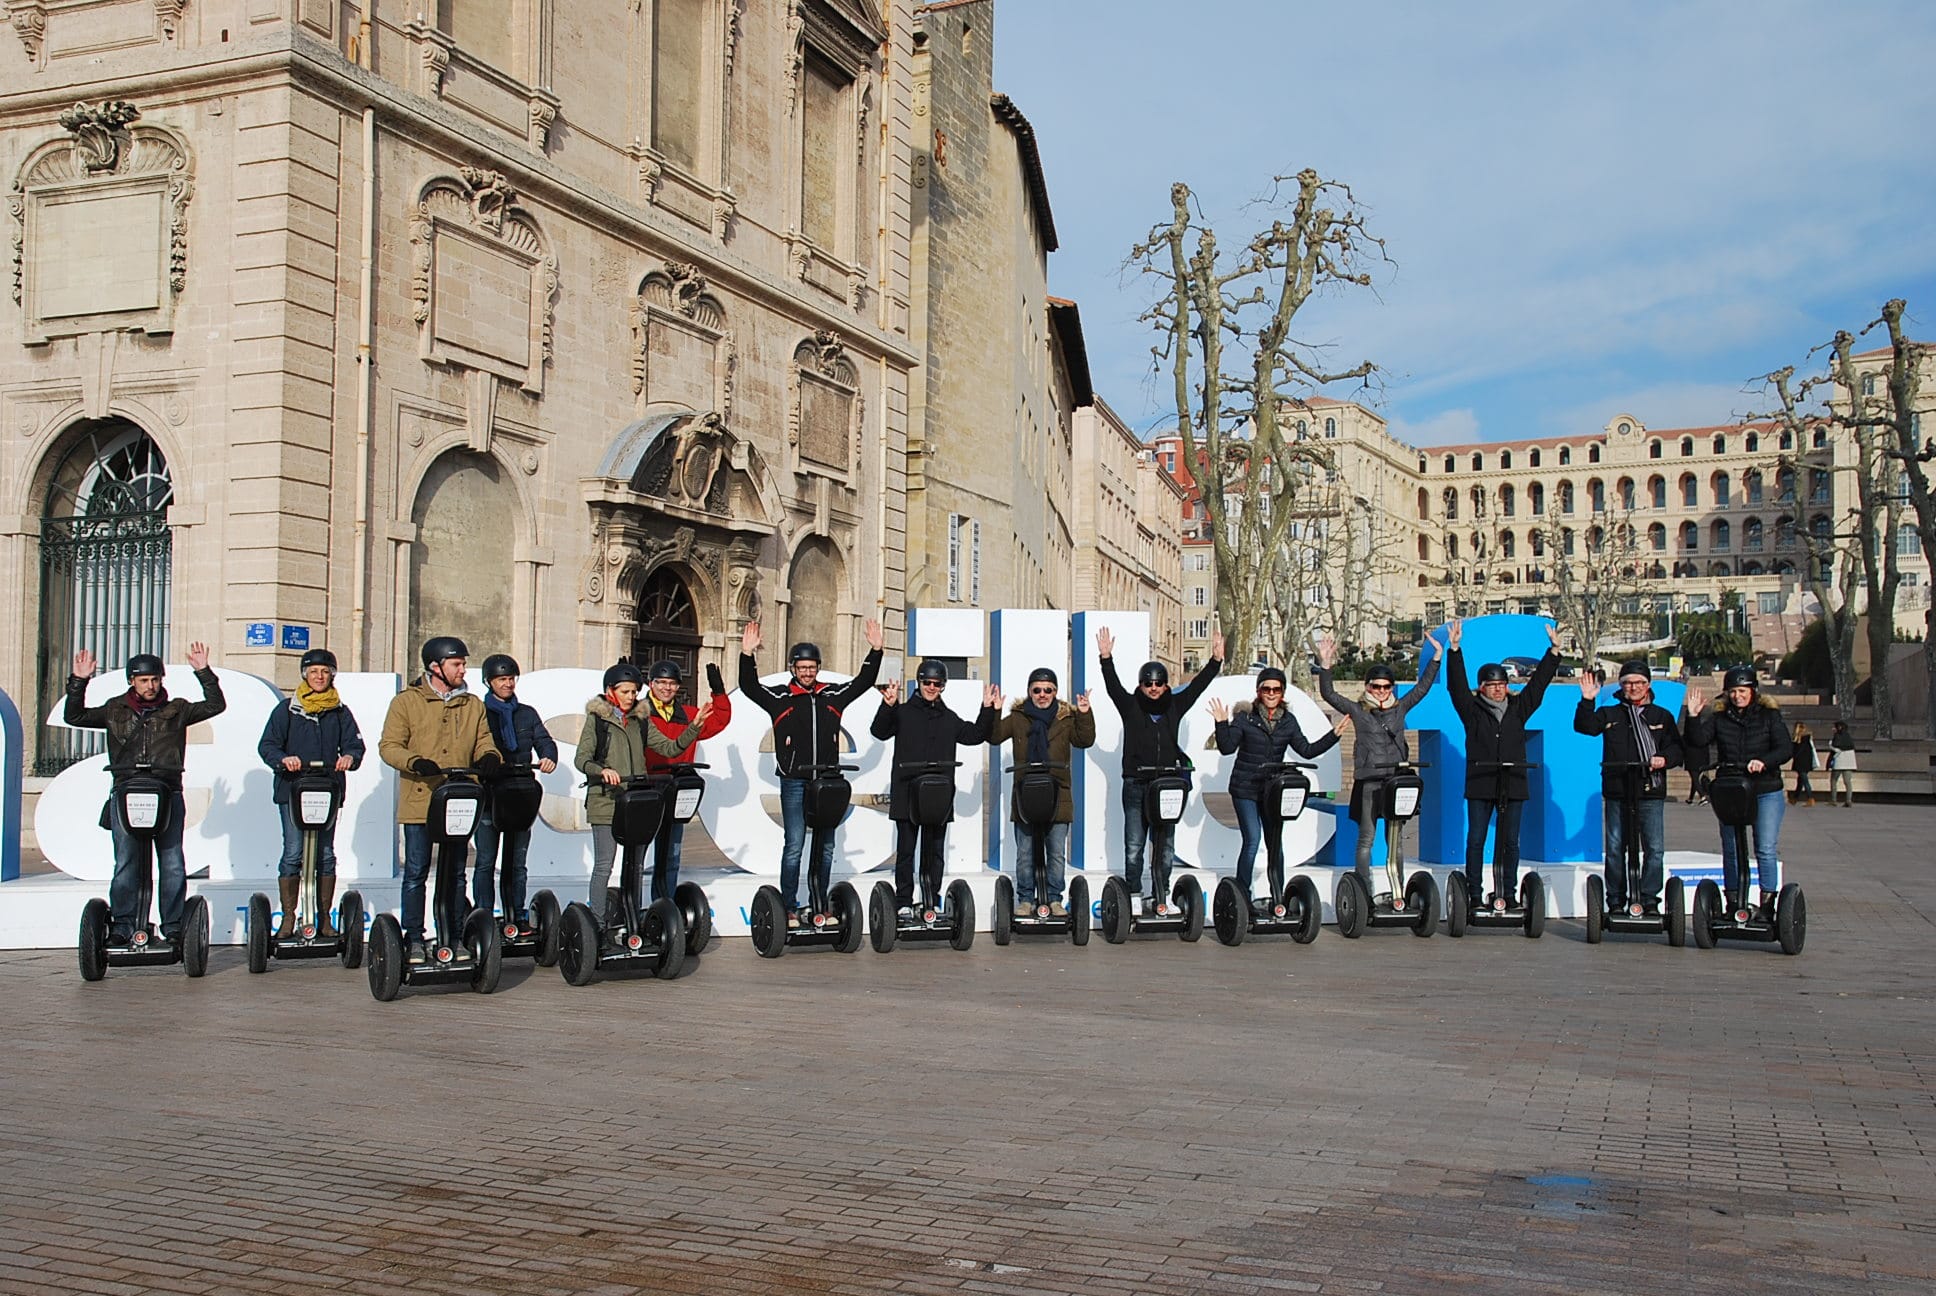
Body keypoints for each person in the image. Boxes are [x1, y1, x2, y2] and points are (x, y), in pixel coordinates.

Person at [66, 644, 225, 945]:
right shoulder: (115, 710)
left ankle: (174, 925)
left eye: (155, 679)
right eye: (143, 680)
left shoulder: (177, 710)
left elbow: (215, 705)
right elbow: (74, 716)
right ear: (131, 681)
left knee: (172, 861)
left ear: (161, 680)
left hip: (168, 790)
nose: (150, 685)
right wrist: (79, 681)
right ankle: (123, 925)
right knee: (126, 861)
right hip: (126, 790)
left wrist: (203, 672)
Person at [739, 619, 885, 926]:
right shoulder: (781, 699)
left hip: (827, 783)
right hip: (794, 781)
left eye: (812, 667)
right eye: (802, 667)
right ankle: (789, 906)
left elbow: (862, 682)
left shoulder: (832, 696)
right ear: (793, 669)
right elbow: (750, 687)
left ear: (818, 668)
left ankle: (820, 905)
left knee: (826, 846)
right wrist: (747, 655)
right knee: (794, 845)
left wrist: (876, 650)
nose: (807, 672)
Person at [378, 637, 503, 961]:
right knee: (416, 871)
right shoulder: (406, 702)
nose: (463, 669)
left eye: (463, 663)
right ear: (435, 667)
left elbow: (484, 740)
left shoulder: (472, 704)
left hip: (459, 799)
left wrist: (489, 756)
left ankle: (454, 936)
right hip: (421, 798)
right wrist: (414, 761)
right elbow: (389, 746)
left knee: (456, 872)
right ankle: (414, 938)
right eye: (457, 664)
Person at [1095, 626, 1223, 910]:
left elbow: (1197, 686)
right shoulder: (1130, 706)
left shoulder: (1175, 705)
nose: (1153, 688)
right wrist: (1106, 658)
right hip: (1136, 784)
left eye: (1158, 683)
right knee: (1134, 845)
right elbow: (1113, 687)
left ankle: (1161, 894)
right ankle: (1134, 894)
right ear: (1141, 685)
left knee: (1165, 847)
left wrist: (1215, 661)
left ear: (1166, 685)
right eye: (1148, 683)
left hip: (1166, 786)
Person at [575, 661, 712, 920]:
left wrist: (694, 726)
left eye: (634, 691)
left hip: (635, 801)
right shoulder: (597, 720)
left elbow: (670, 748)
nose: (631, 697)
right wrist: (602, 770)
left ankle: (632, 919)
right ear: (610, 691)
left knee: (635, 866)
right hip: (605, 800)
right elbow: (582, 759)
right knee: (604, 865)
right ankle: (598, 922)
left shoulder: (641, 720)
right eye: (625, 692)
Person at [1316, 631, 1444, 898]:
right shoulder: (1358, 710)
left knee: (1395, 841)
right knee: (1366, 839)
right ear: (1368, 687)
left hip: (1396, 781)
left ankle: (1398, 893)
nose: (1382, 691)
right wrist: (1325, 664)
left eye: (1387, 687)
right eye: (1377, 687)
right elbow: (1329, 694)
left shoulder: (1400, 708)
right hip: (1369, 782)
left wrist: (1436, 658)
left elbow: (1422, 688)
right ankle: (1365, 891)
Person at [1443, 619, 1560, 908]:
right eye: (1492, 685)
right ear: (1482, 688)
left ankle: (1507, 893)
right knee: (1476, 840)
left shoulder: (1519, 709)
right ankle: (1474, 894)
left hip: (1514, 783)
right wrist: (1455, 650)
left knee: (1510, 841)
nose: (1497, 690)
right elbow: (1456, 688)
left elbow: (1538, 686)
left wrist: (1553, 653)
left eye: (1501, 685)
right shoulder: (1472, 711)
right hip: (1481, 783)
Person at [870, 660, 999, 917]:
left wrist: (987, 709)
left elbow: (974, 735)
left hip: (937, 796)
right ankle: (903, 901)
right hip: (908, 793)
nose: (931, 687)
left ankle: (930, 899)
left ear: (943, 686)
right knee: (906, 851)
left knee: (935, 852)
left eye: (937, 683)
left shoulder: (948, 717)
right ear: (919, 682)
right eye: (927, 682)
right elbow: (879, 731)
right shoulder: (903, 712)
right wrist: (888, 705)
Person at [1209, 668, 1346, 908]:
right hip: (1245, 788)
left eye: (1276, 689)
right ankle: (1242, 895)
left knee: (1275, 844)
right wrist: (1221, 723)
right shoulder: (1245, 717)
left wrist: (1333, 736)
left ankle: (1278, 898)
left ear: (1282, 692)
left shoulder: (1288, 721)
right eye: (1266, 689)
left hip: (1272, 791)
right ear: (1258, 691)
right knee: (1252, 840)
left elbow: (1306, 750)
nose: (1271, 693)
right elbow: (1227, 748)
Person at [257, 647, 364, 937]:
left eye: (325, 672)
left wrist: (350, 757)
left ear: (332, 676)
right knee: (293, 852)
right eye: (314, 671)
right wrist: (283, 759)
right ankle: (289, 917)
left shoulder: (339, 712)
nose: (319, 676)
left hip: (327, 790)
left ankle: (324, 918)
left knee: (325, 854)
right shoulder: (287, 710)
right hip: (292, 789)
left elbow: (355, 745)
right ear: (305, 675)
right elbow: (267, 745)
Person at [1573, 659, 1684, 916]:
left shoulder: (1661, 716)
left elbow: (1677, 749)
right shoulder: (1610, 714)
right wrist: (1587, 700)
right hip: (1618, 790)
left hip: (1650, 790)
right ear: (1621, 686)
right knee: (1615, 848)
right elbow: (1585, 727)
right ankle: (1615, 899)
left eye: (1639, 683)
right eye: (1627, 683)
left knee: (1654, 849)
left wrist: (1664, 758)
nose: (1633, 687)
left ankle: (1649, 899)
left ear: (1648, 685)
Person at [987, 668, 1095, 917]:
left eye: (1048, 690)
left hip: (1058, 794)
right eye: (1037, 690)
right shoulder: (1018, 717)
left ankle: (1055, 899)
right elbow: (994, 736)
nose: (1042, 694)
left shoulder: (1066, 717)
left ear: (1055, 692)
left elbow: (1084, 739)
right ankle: (1025, 899)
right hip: (1026, 794)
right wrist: (994, 711)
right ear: (1029, 692)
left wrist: (1084, 714)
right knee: (1025, 853)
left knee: (1056, 853)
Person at [1684, 668, 1793, 915]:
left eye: (1742, 691)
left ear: (1753, 691)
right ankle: (1734, 902)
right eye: (1732, 691)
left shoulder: (1769, 716)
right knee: (1731, 848)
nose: (1737, 696)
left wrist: (1764, 761)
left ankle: (1767, 905)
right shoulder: (1720, 717)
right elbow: (1698, 741)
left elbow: (1785, 748)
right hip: (1731, 789)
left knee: (1764, 847)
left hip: (1765, 789)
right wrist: (1693, 716)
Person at [470, 654, 559, 927]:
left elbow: (544, 740)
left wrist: (548, 756)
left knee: (517, 861)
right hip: (490, 794)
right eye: (502, 679)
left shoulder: (527, 713)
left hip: (520, 793)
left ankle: (517, 914)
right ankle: (483, 915)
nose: (508, 684)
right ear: (489, 682)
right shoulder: (479, 713)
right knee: (486, 860)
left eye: (511, 679)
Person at [639, 659, 732, 902]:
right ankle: (633, 908)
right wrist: (622, 681)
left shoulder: (690, 716)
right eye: (661, 682)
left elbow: (720, 720)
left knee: (670, 855)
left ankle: (664, 905)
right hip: (646, 788)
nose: (667, 688)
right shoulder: (639, 714)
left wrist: (718, 690)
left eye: (672, 683)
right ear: (651, 684)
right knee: (637, 855)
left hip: (676, 790)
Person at [1827, 719, 1857, 807]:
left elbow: (1835, 748)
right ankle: (1848, 800)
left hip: (1839, 762)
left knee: (1833, 780)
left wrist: (1830, 745)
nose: (1833, 729)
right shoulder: (1848, 737)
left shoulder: (1837, 736)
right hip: (1849, 762)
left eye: (1835, 727)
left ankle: (1833, 800)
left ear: (1839, 727)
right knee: (1847, 782)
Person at [1789, 721, 1817, 807]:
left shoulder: (1798, 740)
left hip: (1800, 763)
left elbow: (1794, 752)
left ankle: (1810, 798)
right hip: (1807, 763)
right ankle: (1795, 798)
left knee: (1804, 781)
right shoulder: (1808, 739)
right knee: (1800, 780)